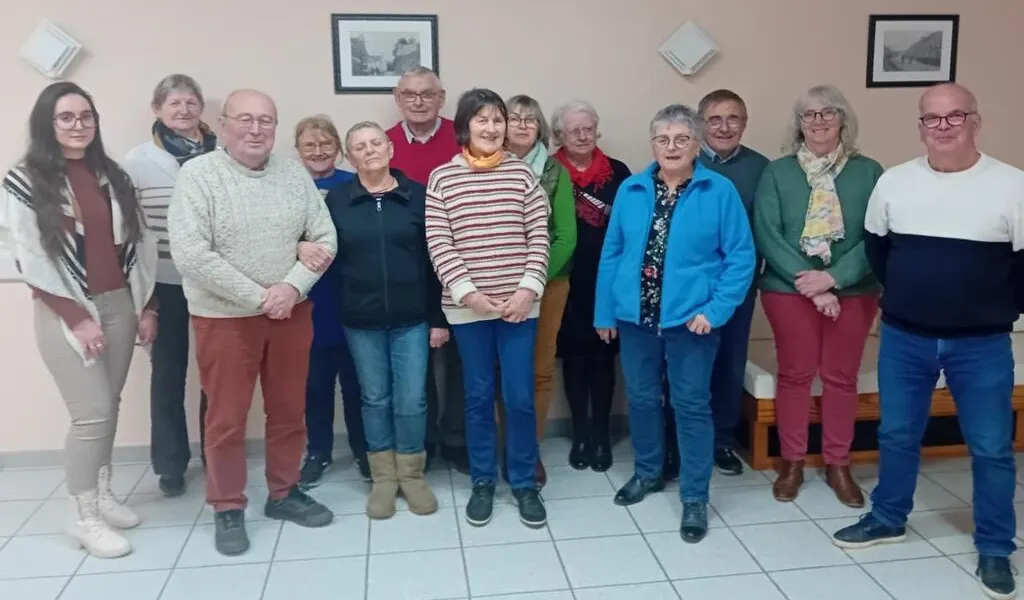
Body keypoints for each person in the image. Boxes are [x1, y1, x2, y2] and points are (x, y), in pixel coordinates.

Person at [832, 83, 1024, 600]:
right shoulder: (895, 183)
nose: (943, 127)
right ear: (920, 126)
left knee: (990, 448)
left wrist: (990, 308)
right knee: (896, 435)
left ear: (975, 121)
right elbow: (878, 253)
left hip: (980, 345)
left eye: (954, 116)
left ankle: (995, 546)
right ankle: (889, 517)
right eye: (931, 119)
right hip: (905, 337)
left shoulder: (1013, 186)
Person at [168, 89, 337, 556]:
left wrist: (293, 288)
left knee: (288, 412)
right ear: (223, 125)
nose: (257, 129)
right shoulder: (198, 175)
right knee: (225, 420)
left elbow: (324, 236)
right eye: (246, 119)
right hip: (225, 319)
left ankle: (284, 493)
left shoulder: (292, 173)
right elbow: (191, 254)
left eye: (267, 120)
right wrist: (262, 297)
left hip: (290, 313)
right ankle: (227, 506)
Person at [2, 82, 158, 557]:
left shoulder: (112, 174)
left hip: (119, 304)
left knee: (107, 405)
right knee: (90, 415)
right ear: (48, 124)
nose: (79, 125)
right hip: (66, 309)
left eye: (86, 116)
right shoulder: (26, 180)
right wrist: (76, 318)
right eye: (66, 117)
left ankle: (103, 494)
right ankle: (82, 514)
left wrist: (146, 305)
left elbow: (139, 241)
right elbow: (30, 255)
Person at [595, 104, 754, 544]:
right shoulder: (631, 189)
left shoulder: (718, 191)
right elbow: (612, 256)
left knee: (690, 404)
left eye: (681, 139)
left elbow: (740, 258)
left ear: (696, 144)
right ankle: (647, 473)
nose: (671, 147)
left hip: (693, 322)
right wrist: (605, 313)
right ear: (652, 144)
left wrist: (716, 311)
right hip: (636, 319)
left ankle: (695, 496)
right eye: (663, 140)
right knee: (643, 398)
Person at [425, 88, 550, 529]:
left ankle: (522, 483)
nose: (492, 128)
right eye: (482, 120)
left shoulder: (523, 176)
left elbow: (540, 237)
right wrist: (468, 294)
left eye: (497, 120)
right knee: (477, 397)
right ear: (465, 126)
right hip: (468, 310)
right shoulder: (443, 178)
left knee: (518, 397)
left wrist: (526, 291)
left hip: (519, 308)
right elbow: (440, 244)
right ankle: (482, 481)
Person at [753, 85, 883, 507]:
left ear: (844, 119)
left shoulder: (870, 172)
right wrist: (810, 282)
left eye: (829, 112)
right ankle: (791, 462)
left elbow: (876, 235)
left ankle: (838, 464)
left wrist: (835, 280)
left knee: (841, 377)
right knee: (795, 373)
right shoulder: (778, 171)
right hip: (788, 290)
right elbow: (768, 233)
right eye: (809, 115)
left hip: (855, 290)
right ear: (799, 124)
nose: (819, 120)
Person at [325, 121, 448, 519]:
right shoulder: (337, 201)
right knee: (374, 398)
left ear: (390, 149)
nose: (369, 150)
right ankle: (383, 478)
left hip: (412, 320)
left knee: (412, 400)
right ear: (350, 157)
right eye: (359, 146)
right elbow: (323, 252)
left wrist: (437, 318)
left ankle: (411, 475)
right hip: (360, 321)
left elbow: (435, 262)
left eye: (376, 142)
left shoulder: (418, 197)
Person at [123, 74, 214, 498]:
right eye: (174, 103)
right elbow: (128, 231)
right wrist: (145, 299)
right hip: (164, 284)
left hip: (216, 282)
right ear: (157, 109)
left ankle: (218, 456)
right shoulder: (138, 160)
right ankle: (171, 464)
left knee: (219, 376)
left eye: (190, 102)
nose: (183, 110)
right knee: (168, 375)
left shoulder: (224, 154)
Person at [386, 66, 466, 473]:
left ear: (441, 97)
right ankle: (426, 442)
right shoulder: (384, 145)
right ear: (398, 99)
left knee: (460, 358)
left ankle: (457, 438)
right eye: (410, 94)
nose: (418, 102)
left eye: (427, 94)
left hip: (461, 262)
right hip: (410, 268)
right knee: (416, 358)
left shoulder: (462, 137)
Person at [552, 101, 632, 472]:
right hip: (564, 282)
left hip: (609, 281)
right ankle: (580, 433)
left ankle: (601, 435)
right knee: (573, 359)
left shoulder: (619, 173)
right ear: (559, 136)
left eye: (589, 128)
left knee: (603, 358)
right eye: (574, 131)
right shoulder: (549, 172)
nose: (583, 136)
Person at [501, 94, 576, 488]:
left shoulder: (553, 172)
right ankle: (503, 447)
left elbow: (564, 236)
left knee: (539, 371)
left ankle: (529, 450)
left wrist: (530, 281)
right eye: (514, 118)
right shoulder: (483, 166)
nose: (523, 125)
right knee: (500, 371)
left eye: (531, 119)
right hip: (493, 287)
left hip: (548, 285)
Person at [694, 89, 770, 475]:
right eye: (715, 119)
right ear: (700, 123)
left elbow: (767, 230)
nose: (724, 127)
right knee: (688, 365)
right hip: (689, 289)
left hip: (737, 287)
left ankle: (722, 440)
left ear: (745, 122)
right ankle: (685, 440)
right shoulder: (681, 161)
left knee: (728, 363)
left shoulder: (761, 168)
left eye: (733, 118)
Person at [292, 115, 368, 488]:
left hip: (349, 299)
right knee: (315, 385)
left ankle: (363, 450)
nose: (319, 152)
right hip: (305, 303)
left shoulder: (353, 184)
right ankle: (318, 451)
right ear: (297, 151)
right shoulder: (286, 186)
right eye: (310, 145)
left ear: (338, 149)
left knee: (356, 384)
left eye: (326, 144)